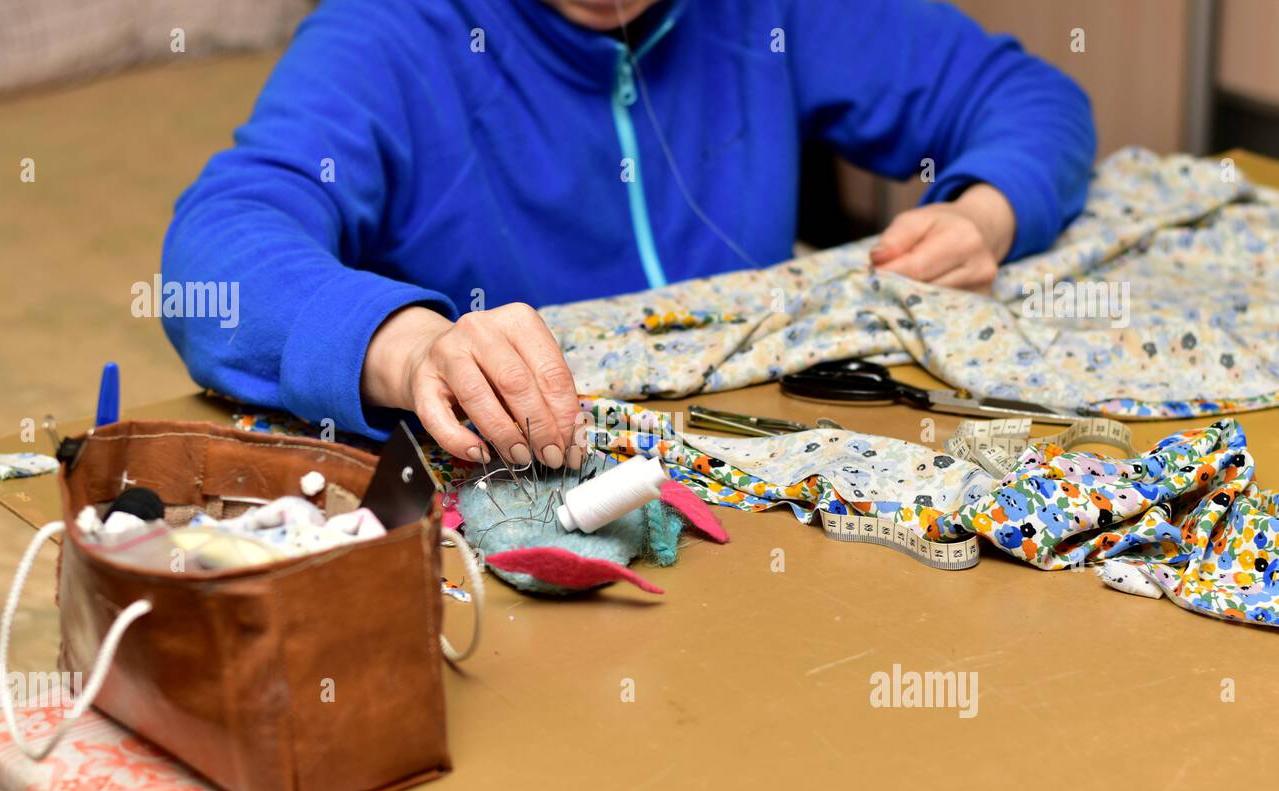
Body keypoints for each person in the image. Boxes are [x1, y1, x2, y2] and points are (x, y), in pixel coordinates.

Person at [162, 0, 1095, 468]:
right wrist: (405, 346)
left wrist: (984, 212)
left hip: (760, 453)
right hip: (524, 483)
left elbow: (1026, 98)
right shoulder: (392, 33)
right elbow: (213, 256)